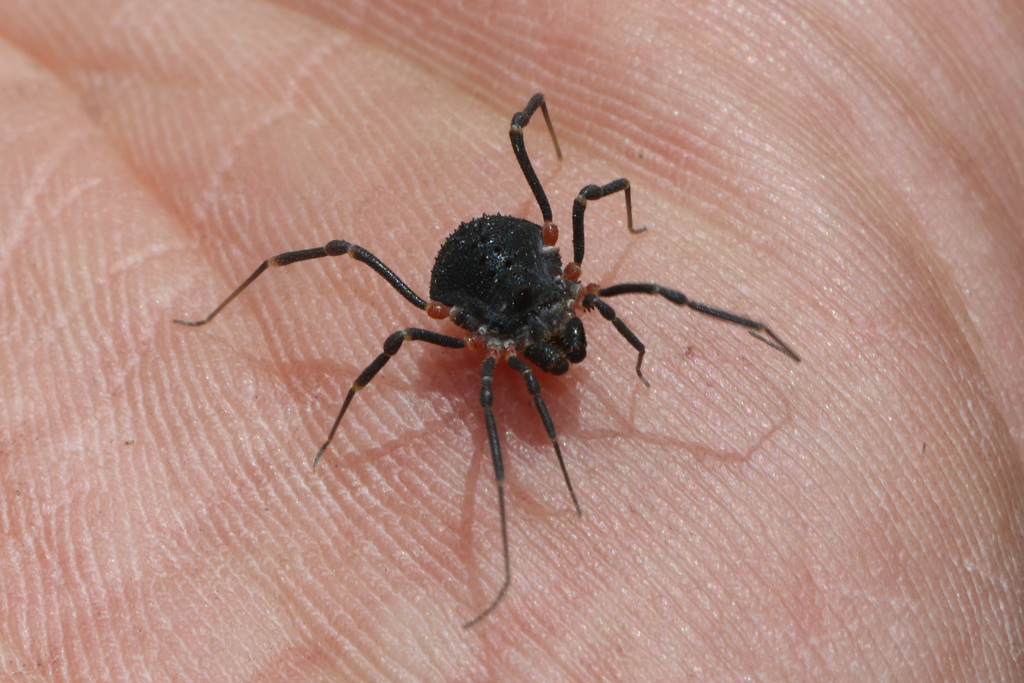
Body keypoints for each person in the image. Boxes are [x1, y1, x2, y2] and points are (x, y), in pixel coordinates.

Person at [1, 0, 1020, 678]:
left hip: (512, 264)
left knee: (610, 249)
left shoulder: (575, 297)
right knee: (370, 277)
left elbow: (594, 236)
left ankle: (762, 342)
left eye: (574, 328)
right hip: (470, 279)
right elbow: (496, 381)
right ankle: (261, 343)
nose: (568, 351)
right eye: (558, 342)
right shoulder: (490, 355)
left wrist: (642, 293)